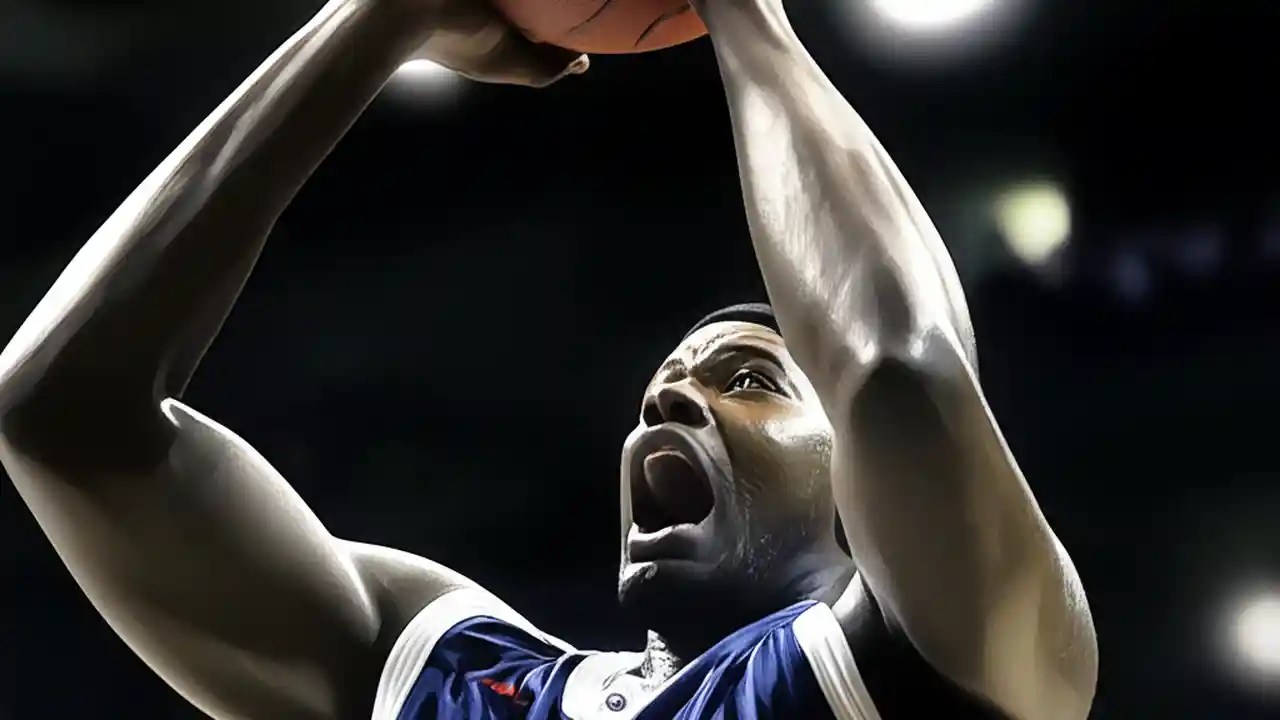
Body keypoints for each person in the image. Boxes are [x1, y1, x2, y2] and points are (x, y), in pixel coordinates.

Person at [0, 0, 1098, 718]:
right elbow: (59, 416)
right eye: (665, 383)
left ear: (853, 487)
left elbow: (903, 380)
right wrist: (379, 20)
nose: (671, 397)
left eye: (751, 380)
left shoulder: (965, 653)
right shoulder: (441, 671)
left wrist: (747, 19)